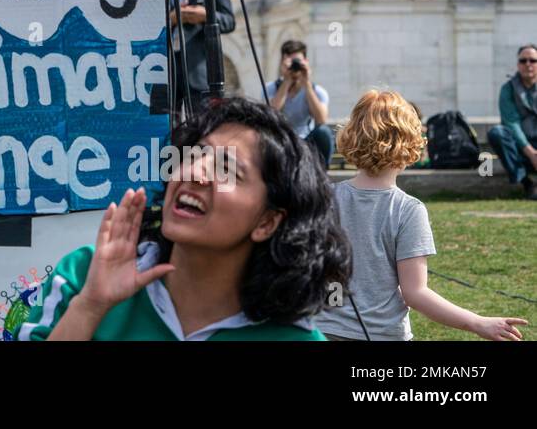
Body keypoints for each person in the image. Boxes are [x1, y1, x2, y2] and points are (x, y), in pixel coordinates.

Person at [18, 97, 349, 341]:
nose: (196, 173)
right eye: (195, 155)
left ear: (267, 222)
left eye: (227, 169)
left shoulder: (293, 339)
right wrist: (90, 306)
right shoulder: (82, 276)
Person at [316, 90, 526, 341]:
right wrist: (478, 323)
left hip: (323, 331)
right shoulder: (408, 209)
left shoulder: (324, 197)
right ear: (410, 142)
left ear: (353, 136)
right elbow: (415, 293)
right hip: (382, 335)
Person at [166, 0, 235, 113]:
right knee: (164, 131)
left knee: (201, 129)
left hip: (199, 70)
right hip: (164, 70)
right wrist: (170, 19)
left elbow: (229, 21)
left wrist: (205, 15)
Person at [265, 40, 332, 168]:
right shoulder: (271, 89)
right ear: (282, 63)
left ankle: (323, 173)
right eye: (291, 62)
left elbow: (321, 119)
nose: (295, 66)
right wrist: (286, 81)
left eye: (298, 62)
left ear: (306, 62)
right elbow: (270, 116)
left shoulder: (317, 91)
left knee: (324, 132)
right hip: (282, 140)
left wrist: (306, 84)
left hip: (307, 140)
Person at [489, 43, 537, 200]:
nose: (528, 64)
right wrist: (531, 153)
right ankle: (527, 183)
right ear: (518, 64)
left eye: (532, 60)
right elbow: (512, 123)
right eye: (523, 61)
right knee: (497, 133)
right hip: (520, 150)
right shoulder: (508, 89)